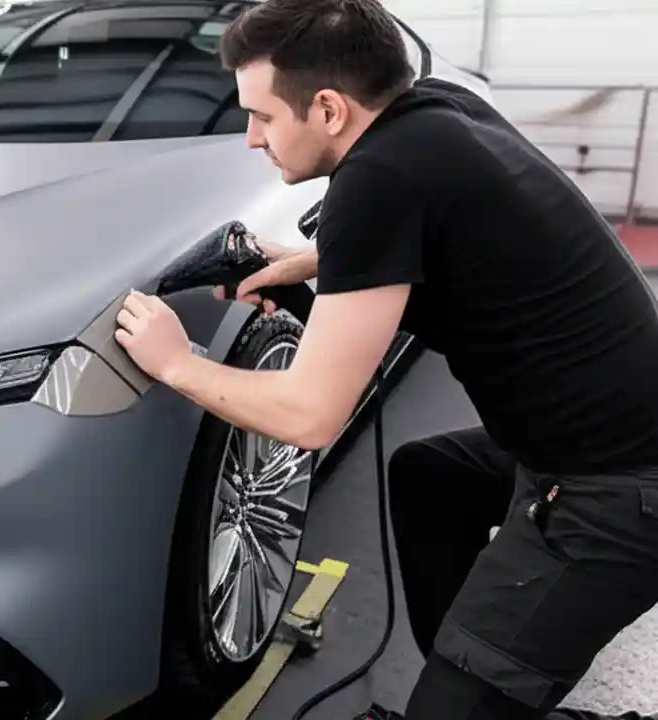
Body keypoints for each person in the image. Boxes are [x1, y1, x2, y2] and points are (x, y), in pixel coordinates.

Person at [111, 0, 658, 718]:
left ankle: (472, 694)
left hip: (616, 493)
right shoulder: (435, 112)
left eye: (263, 116)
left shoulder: (377, 183)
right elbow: (449, 222)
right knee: (428, 477)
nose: (251, 138)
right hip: (604, 436)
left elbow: (308, 416)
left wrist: (176, 362)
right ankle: (473, 674)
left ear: (328, 109)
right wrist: (315, 261)